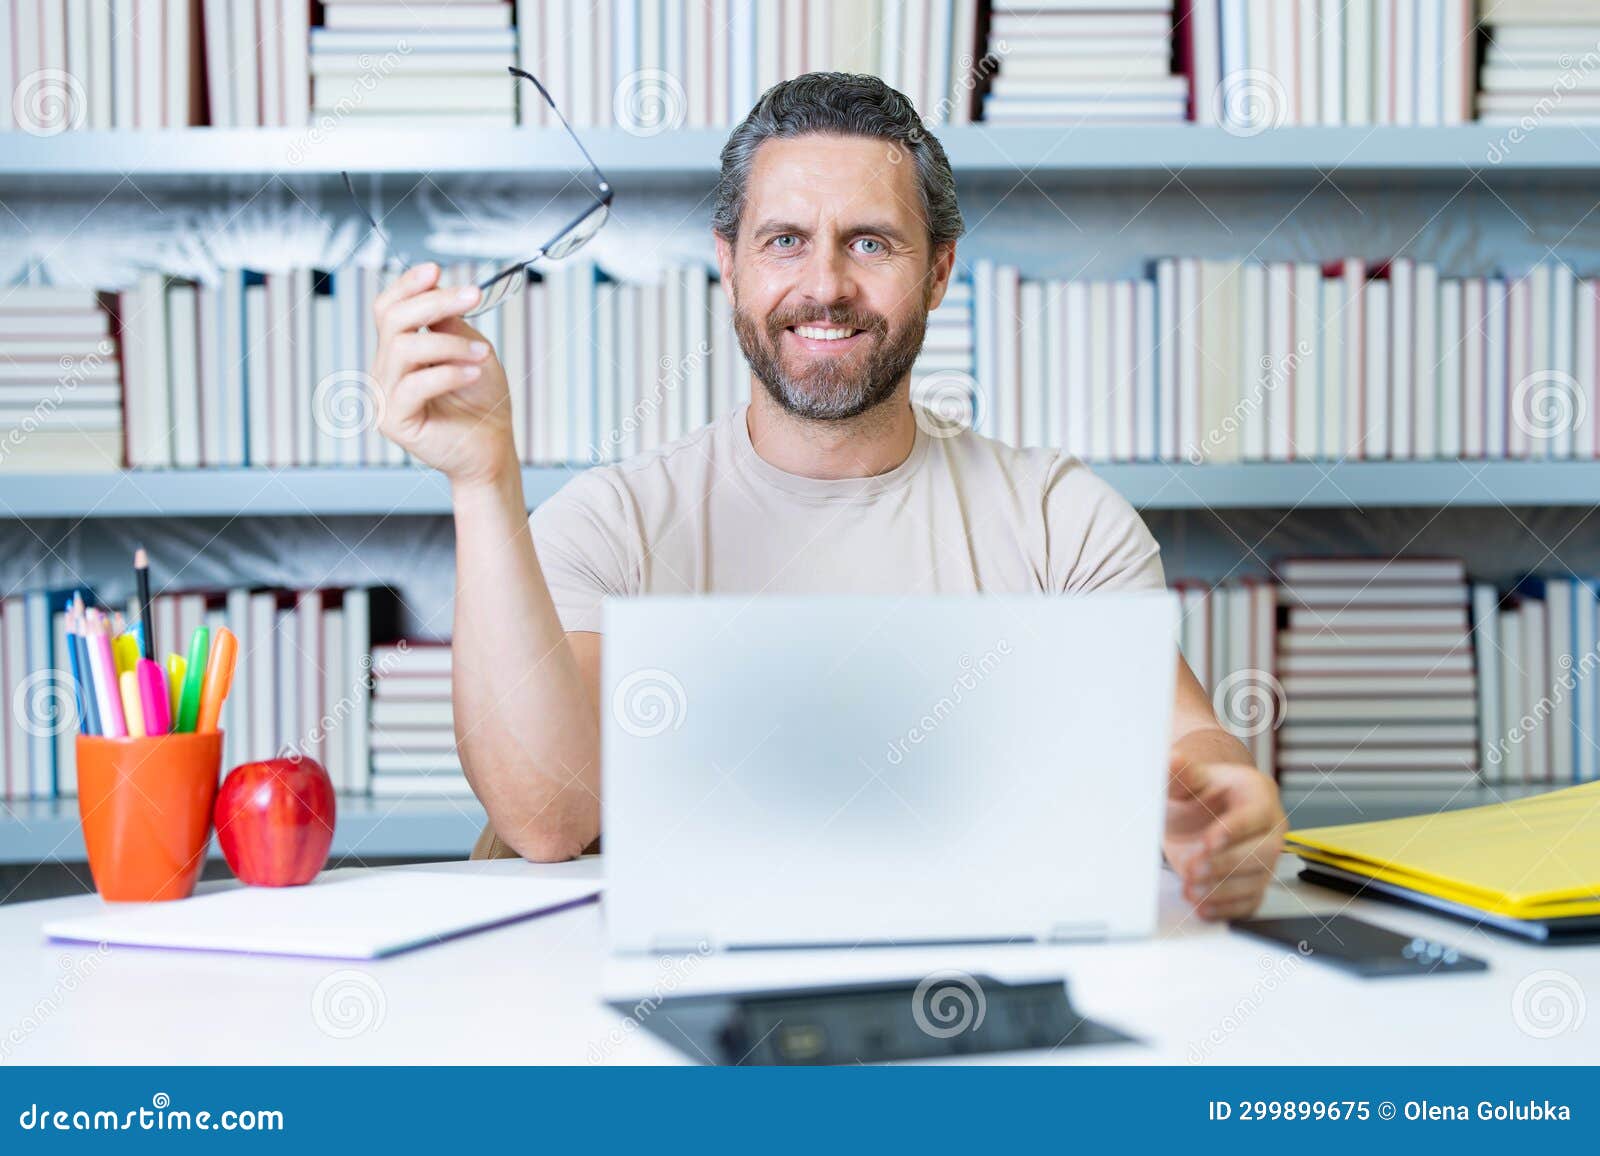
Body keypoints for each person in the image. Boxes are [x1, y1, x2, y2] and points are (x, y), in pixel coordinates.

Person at [368, 72, 1287, 922]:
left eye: (871, 243)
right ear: (728, 263)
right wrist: (482, 476)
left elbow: (1186, 746)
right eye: (784, 242)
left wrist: (1216, 800)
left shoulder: (1062, 519)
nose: (825, 287)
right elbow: (549, 819)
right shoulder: (608, 525)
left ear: (937, 270)